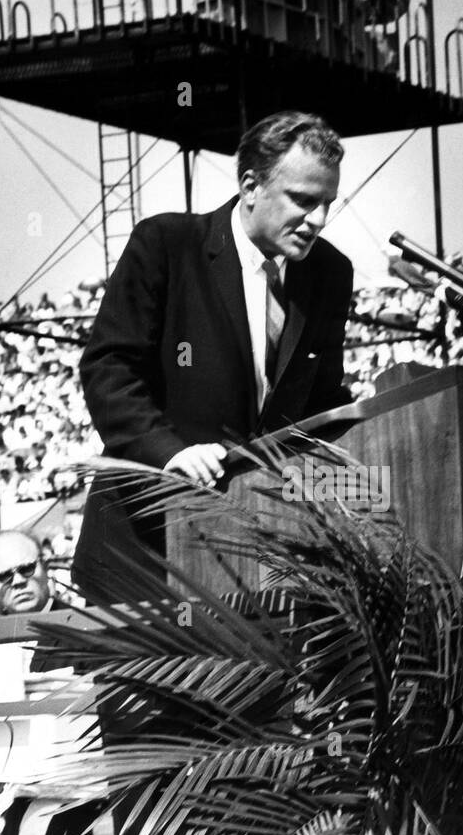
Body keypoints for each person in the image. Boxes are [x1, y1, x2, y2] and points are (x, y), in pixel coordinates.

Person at [72, 110, 354, 606]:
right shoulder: (165, 245)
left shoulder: (330, 272)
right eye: (305, 201)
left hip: (256, 559)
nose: (319, 221)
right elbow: (108, 370)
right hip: (144, 549)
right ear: (250, 186)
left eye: (328, 203)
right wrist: (170, 452)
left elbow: (324, 403)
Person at [0, 528, 57, 614]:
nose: (18, 581)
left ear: (45, 568)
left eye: (26, 569)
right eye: (4, 576)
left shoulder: (72, 619)